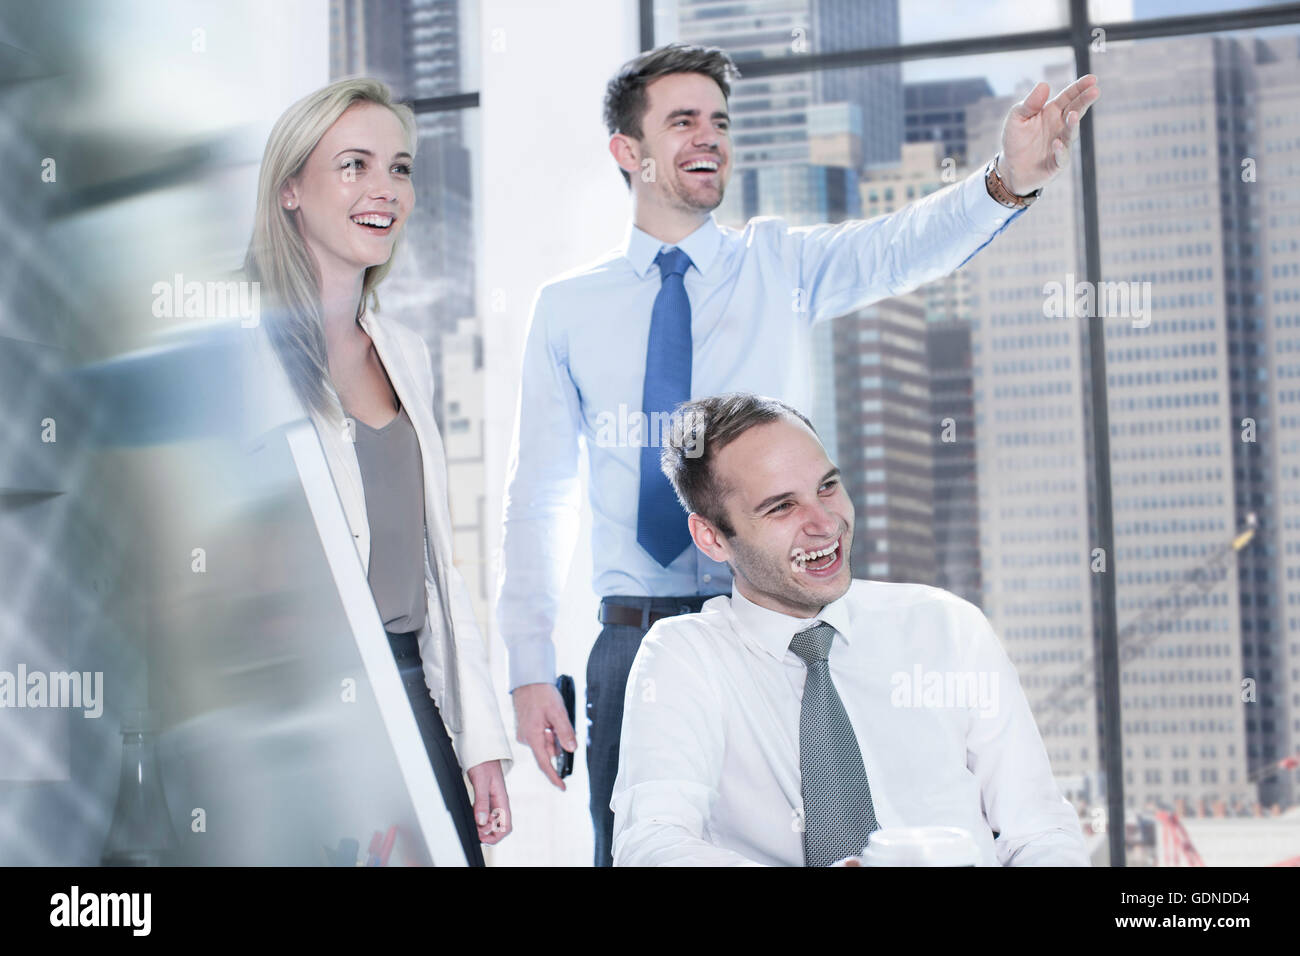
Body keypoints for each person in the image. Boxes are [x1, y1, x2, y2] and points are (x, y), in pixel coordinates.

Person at [497, 41, 1100, 865]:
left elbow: (901, 245)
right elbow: (538, 497)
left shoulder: (778, 263)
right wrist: (530, 666)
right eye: (682, 121)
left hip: (779, 620)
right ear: (627, 152)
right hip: (637, 636)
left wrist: (1007, 179)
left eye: (719, 120)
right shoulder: (565, 310)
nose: (709, 136)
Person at [610, 393, 1090, 867]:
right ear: (712, 538)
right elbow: (651, 843)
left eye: (827, 487)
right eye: (781, 507)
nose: (824, 523)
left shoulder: (947, 625)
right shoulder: (684, 658)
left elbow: (1040, 831)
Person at [241, 77, 512, 865]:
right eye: (354, 164)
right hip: (286, 712)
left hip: (408, 692)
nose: (384, 190)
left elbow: (436, 572)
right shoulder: (236, 352)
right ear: (290, 188)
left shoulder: (406, 352)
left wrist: (478, 739)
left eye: (399, 168)